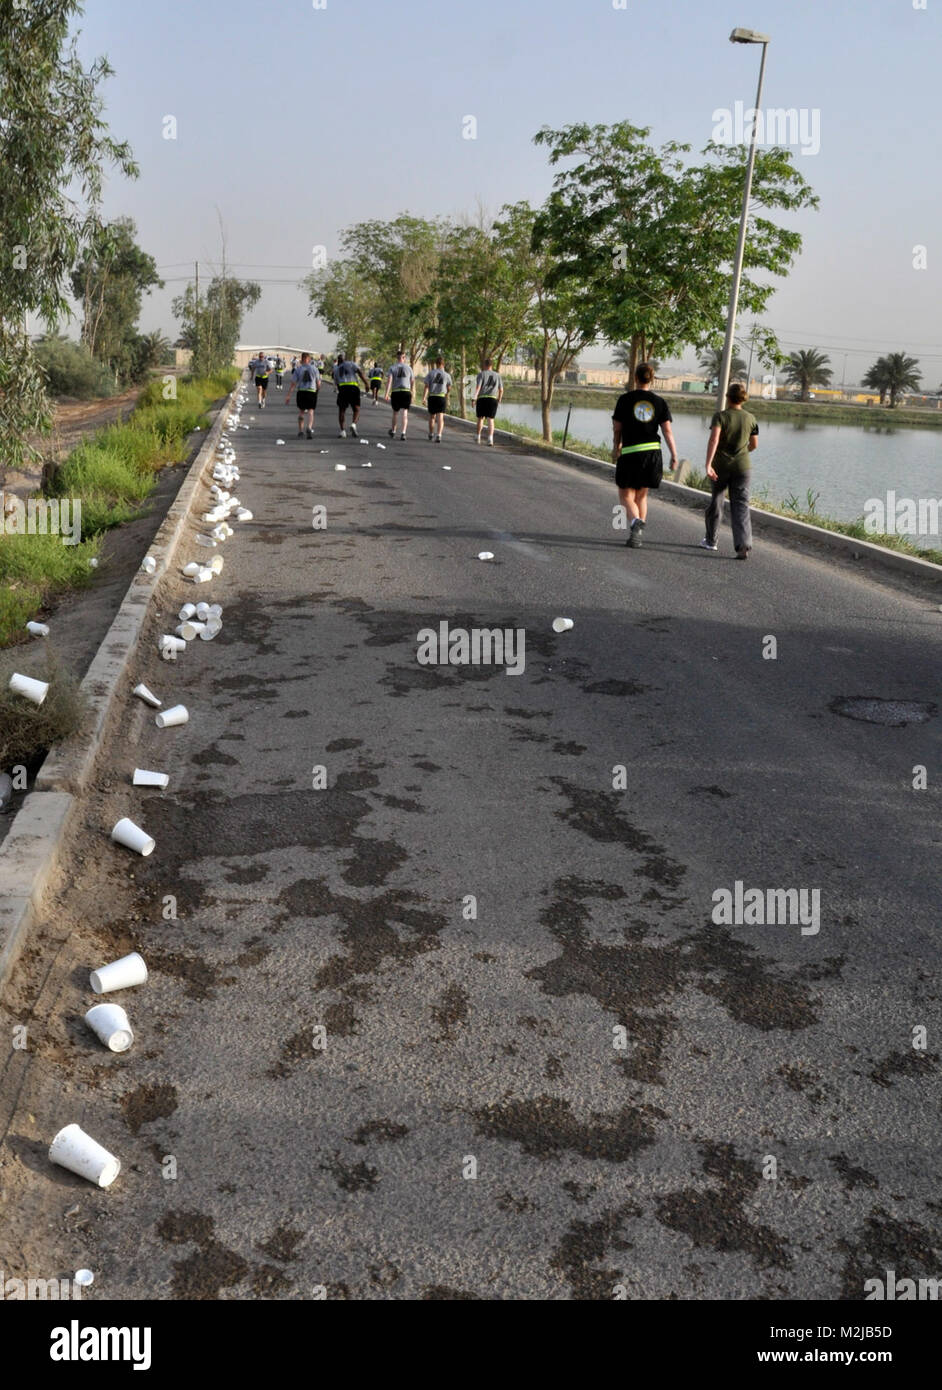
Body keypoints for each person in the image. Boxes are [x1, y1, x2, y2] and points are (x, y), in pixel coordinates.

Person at [611, 362, 679, 548]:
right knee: (641, 496)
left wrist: (616, 446)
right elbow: (667, 431)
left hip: (631, 453)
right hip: (652, 453)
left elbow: (617, 428)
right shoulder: (659, 402)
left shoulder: (625, 399)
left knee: (626, 495)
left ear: (635, 378)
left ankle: (635, 522)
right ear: (652, 379)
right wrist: (674, 454)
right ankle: (637, 535)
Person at [701, 382, 759, 558]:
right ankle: (743, 545)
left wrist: (708, 464)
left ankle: (711, 541)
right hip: (743, 467)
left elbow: (714, 440)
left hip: (720, 467)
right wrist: (742, 452)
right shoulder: (751, 418)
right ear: (743, 399)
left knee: (717, 501)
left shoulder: (720, 416)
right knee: (741, 505)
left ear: (727, 397)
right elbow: (754, 444)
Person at [332, 352, 369, 437]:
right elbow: (359, 372)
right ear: (345, 359)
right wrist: (366, 383)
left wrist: (341, 391)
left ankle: (342, 431)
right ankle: (353, 424)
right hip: (353, 387)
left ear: (338, 361)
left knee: (342, 410)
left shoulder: (336, 369)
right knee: (356, 409)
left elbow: (337, 383)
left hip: (343, 389)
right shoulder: (351, 363)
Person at [284, 351, 320, 439]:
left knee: (301, 411)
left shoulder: (298, 369)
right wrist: (317, 390)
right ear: (308, 359)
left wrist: (288, 395)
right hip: (311, 391)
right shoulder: (314, 369)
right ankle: (309, 427)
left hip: (301, 391)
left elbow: (293, 384)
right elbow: (318, 383)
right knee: (311, 411)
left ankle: (300, 431)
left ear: (302, 359)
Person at [385, 351, 415, 439]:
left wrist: (386, 393)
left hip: (396, 392)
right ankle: (403, 433)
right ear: (404, 358)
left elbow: (389, 381)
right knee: (405, 413)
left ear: (397, 358)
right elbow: (412, 382)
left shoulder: (392, 367)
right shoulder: (409, 368)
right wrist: (412, 393)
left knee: (395, 413)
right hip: (406, 392)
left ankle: (393, 431)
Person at [473, 359, 503, 445]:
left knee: (480, 418)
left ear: (485, 365)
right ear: (492, 365)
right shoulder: (498, 375)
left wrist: (474, 398)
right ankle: (490, 439)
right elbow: (501, 390)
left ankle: (478, 437)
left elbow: (478, 388)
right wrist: (499, 399)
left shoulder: (481, 374)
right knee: (491, 419)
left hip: (482, 399)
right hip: (492, 399)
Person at [423, 356, 452, 441]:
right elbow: (449, 387)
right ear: (443, 364)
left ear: (436, 364)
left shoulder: (431, 373)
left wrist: (424, 398)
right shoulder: (447, 375)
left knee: (432, 417)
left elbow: (426, 386)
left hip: (432, 396)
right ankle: (439, 435)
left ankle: (431, 433)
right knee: (440, 417)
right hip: (441, 397)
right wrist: (446, 392)